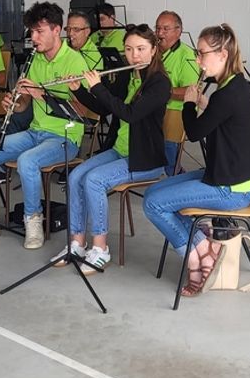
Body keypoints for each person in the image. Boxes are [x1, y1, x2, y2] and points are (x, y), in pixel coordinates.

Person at [0, 1, 88, 249]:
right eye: (32, 32)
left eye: (39, 32)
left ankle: (33, 220)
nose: (34, 37)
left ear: (56, 30)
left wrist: (42, 94)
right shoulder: (35, 59)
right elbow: (24, 104)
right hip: (35, 132)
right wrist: (14, 102)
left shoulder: (75, 62)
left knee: (27, 161)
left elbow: (83, 112)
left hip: (65, 136)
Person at [143, 24, 250, 297]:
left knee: (153, 204)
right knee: (153, 191)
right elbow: (219, 121)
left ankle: (197, 259)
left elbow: (193, 133)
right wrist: (205, 106)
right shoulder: (235, 87)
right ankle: (203, 245)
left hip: (231, 188)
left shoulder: (227, 94)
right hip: (224, 174)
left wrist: (189, 102)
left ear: (223, 54)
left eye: (202, 53)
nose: (198, 60)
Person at [57, 24, 169, 274]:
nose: (134, 56)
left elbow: (130, 114)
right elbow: (105, 109)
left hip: (145, 159)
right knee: (75, 176)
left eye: (141, 49)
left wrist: (98, 87)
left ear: (153, 50)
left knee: (94, 181)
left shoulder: (159, 84)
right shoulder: (130, 75)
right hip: (120, 150)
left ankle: (100, 248)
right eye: (129, 49)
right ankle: (77, 243)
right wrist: (80, 90)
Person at [154, 10, 200, 174]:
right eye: (157, 28)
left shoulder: (186, 55)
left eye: (165, 29)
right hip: (153, 109)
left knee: (168, 158)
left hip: (175, 111)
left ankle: (177, 176)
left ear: (178, 31)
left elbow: (191, 91)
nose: (159, 33)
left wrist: (161, 92)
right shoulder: (153, 52)